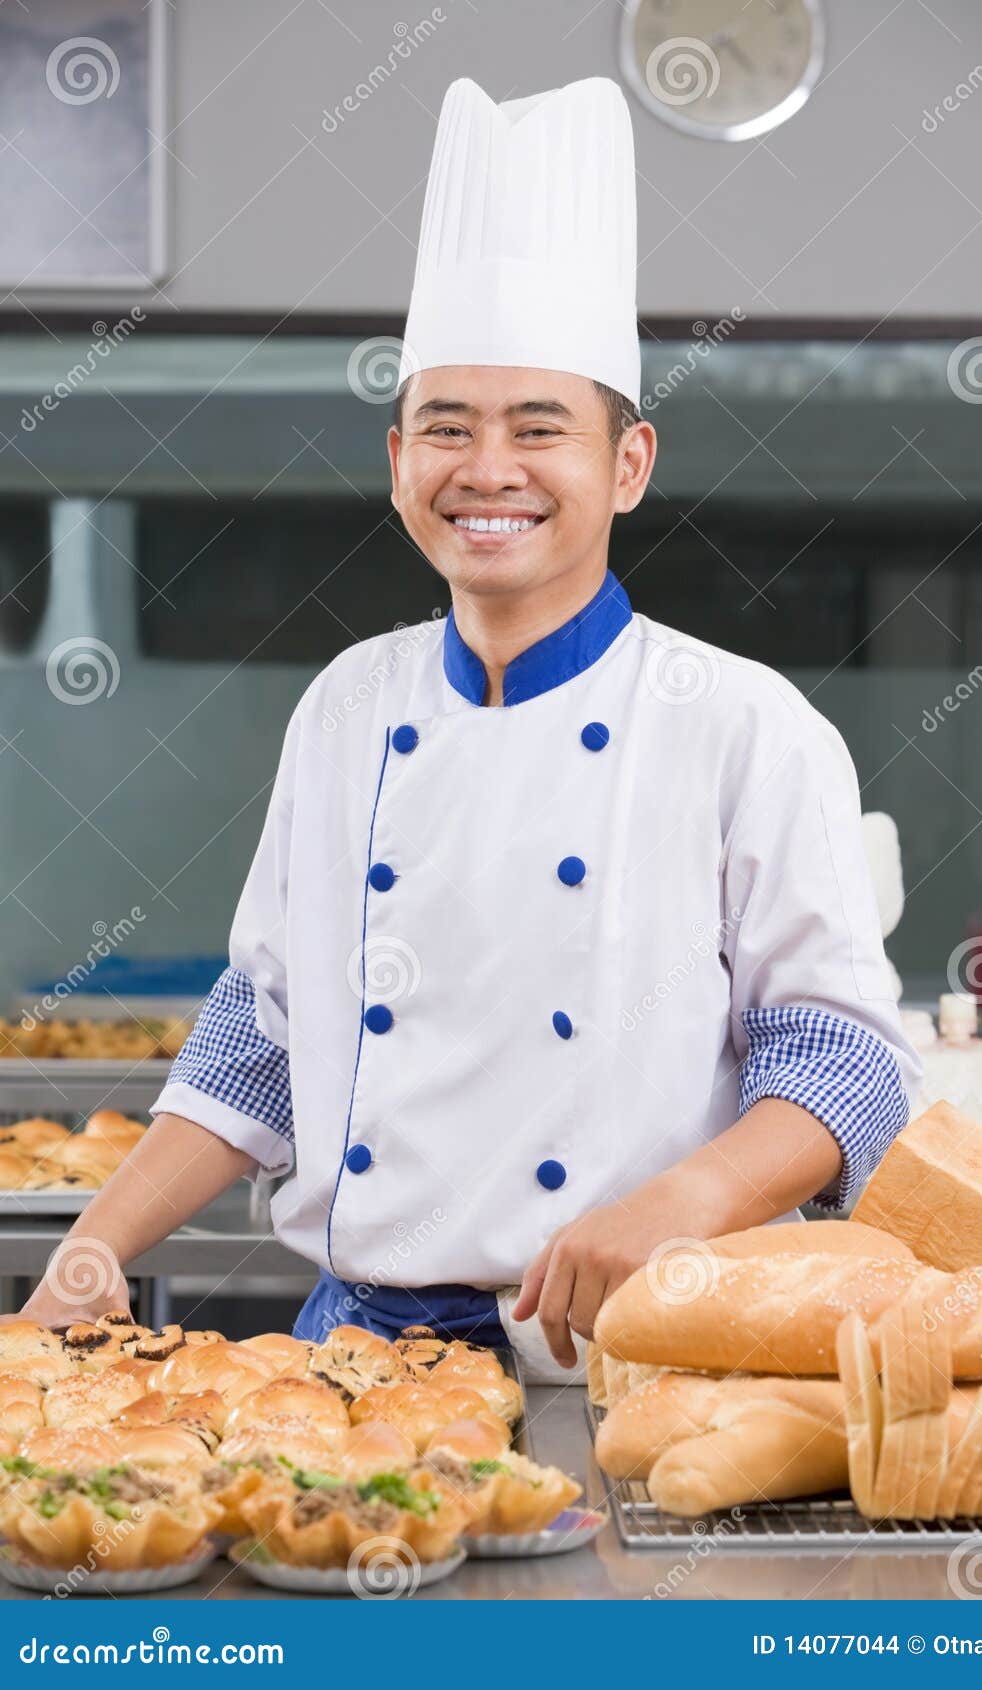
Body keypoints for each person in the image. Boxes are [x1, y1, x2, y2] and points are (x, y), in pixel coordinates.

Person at [6, 78, 919, 1376]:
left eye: (538, 429)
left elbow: (845, 1062)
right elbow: (264, 1033)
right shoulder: (347, 708)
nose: (487, 469)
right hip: (346, 1360)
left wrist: (681, 1204)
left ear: (627, 465)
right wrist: (89, 1255)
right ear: (398, 463)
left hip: (623, 1365)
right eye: (448, 428)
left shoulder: (743, 726)